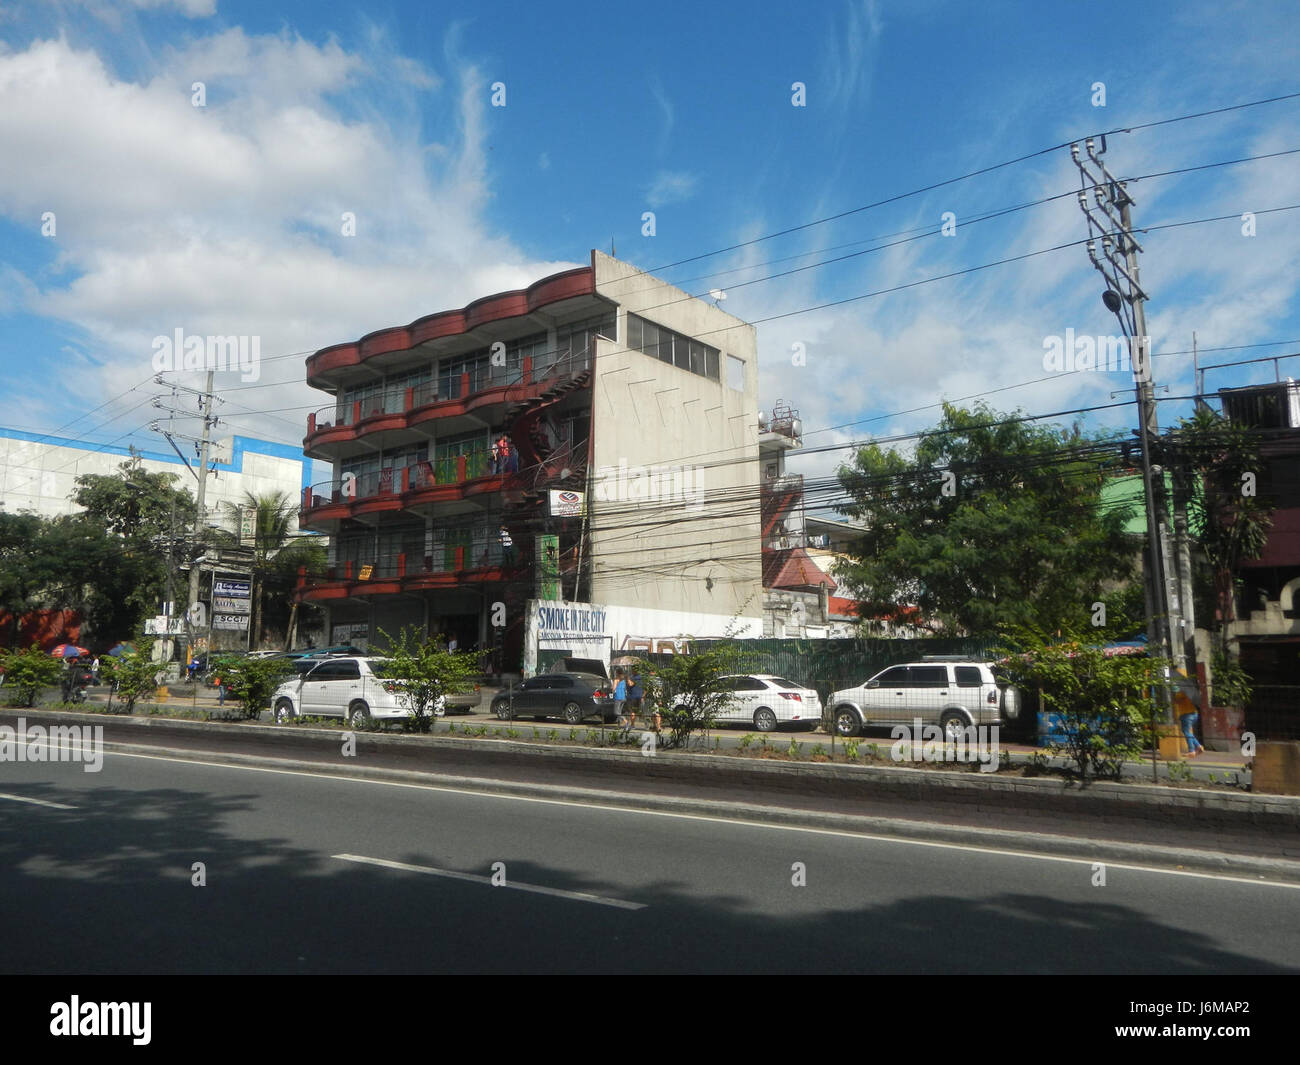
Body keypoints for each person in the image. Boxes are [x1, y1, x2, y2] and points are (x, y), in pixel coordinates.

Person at [1173, 669, 1204, 758]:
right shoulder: (1190, 692)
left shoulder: (1182, 692)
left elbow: (1178, 701)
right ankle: (1198, 746)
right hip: (1194, 714)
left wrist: (1174, 697)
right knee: (1187, 732)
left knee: (1186, 731)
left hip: (1186, 714)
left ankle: (1192, 751)